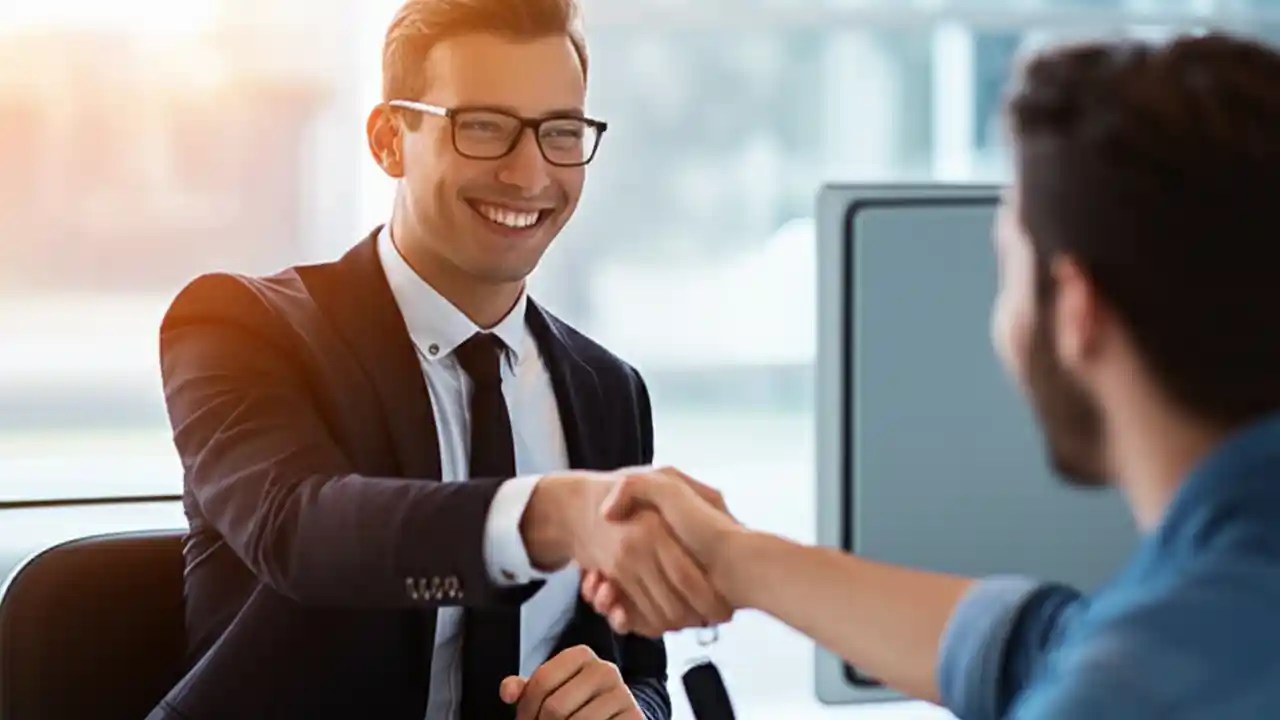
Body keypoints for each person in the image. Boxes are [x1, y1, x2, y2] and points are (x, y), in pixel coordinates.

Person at [585, 33, 1280, 718]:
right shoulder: (1216, 598)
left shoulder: (1128, 689)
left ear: (1075, 310)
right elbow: (1048, 645)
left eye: (1004, 271)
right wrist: (738, 562)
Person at [151, 1, 729, 718]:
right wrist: (545, 514)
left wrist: (631, 707)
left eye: (560, 132)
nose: (529, 174)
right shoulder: (242, 327)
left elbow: (641, 666)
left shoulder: (608, 390)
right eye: (483, 127)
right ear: (390, 140)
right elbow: (301, 531)